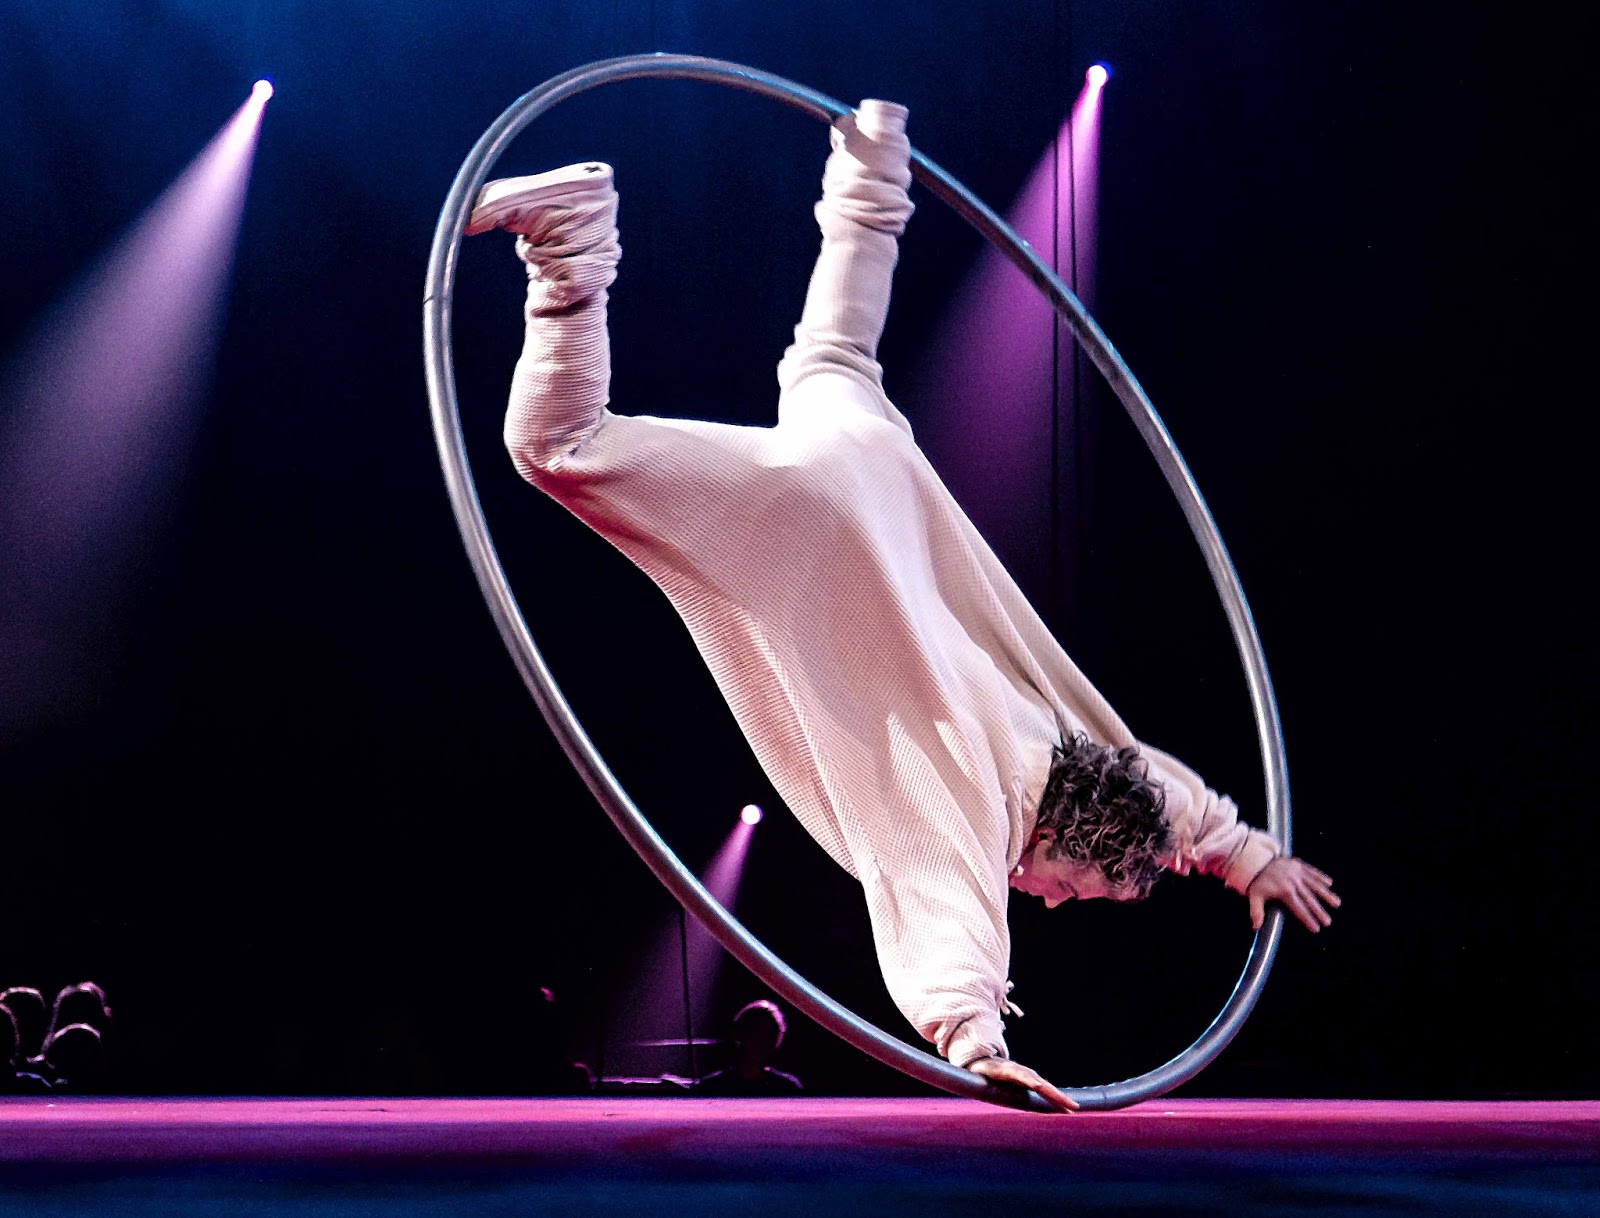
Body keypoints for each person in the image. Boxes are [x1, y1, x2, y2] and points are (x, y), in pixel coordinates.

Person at [469, 100, 1339, 1112]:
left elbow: (1164, 799)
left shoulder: (1066, 745)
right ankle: (573, 246)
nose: (1048, 899)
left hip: (868, 471)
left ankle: (873, 153)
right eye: (1071, 889)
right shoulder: (979, 800)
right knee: (558, 453)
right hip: (802, 527)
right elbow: (948, 912)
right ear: (1070, 847)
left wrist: (1244, 857)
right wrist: (974, 1042)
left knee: (832, 357)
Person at [696, 999, 803, 1096]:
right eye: (757, 1032)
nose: (762, 1041)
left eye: (769, 1034)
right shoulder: (714, 1087)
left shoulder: (786, 1087)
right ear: (741, 1035)